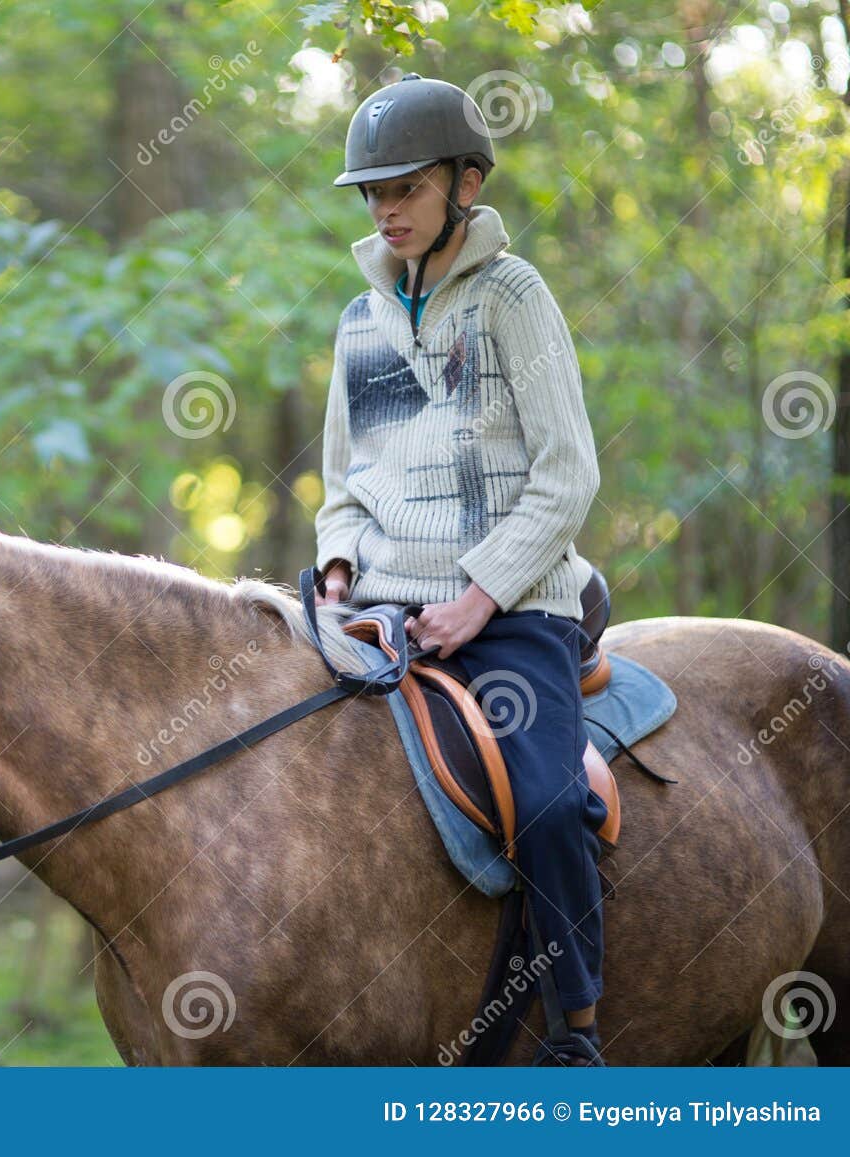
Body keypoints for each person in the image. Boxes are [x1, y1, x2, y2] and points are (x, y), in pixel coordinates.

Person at [313, 74, 609, 1065]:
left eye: (404, 185)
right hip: (382, 606)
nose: (384, 207)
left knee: (548, 798)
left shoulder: (513, 297)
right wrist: (335, 568)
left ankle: (573, 1023)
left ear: (465, 180)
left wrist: (477, 596)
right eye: (371, 191)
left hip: (515, 601)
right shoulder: (358, 322)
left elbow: (569, 472)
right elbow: (343, 484)